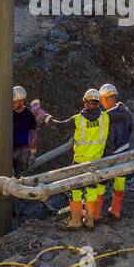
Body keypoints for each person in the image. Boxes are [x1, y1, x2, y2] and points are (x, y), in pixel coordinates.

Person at [52, 89, 110, 230]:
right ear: (98, 103)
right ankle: (89, 222)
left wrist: (44, 117)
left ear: (85, 102)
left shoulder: (78, 119)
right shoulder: (105, 118)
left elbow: (58, 126)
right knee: (91, 190)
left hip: (79, 162)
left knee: (76, 191)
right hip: (96, 161)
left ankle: (76, 221)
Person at [98, 82, 132, 220]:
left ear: (104, 99)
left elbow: (109, 140)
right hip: (125, 150)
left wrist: (104, 153)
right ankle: (116, 210)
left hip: (111, 155)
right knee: (120, 182)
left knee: (100, 182)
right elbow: (130, 129)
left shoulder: (107, 117)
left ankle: (95, 213)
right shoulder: (126, 111)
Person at [12, 85, 38, 177]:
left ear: (22, 101)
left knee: (21, 176)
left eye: (14, 102)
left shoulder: (29, 115)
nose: (12, 104)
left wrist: (32, 153)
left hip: (23, 151)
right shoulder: (8, 112)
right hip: (9, 149)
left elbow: (33, 135)